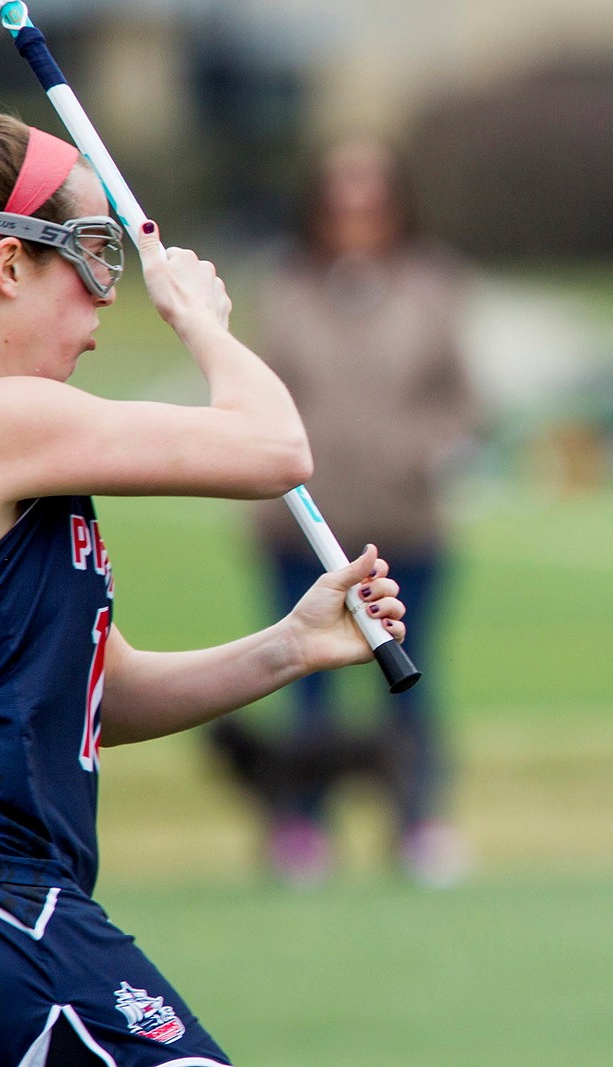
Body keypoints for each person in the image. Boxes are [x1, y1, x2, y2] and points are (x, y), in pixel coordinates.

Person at [0, 113, 407, 1065]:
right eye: (93, 257)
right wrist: (202, 324)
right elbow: (274, 449)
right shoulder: (2, 422)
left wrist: (289, 644)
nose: (102, 310)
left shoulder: (25, 453)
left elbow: (101, 693)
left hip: (29, 905)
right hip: (7, 911)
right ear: (9, 265)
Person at [217, 137, 479, 888]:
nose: (356, 214)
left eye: (371, 197)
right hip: (304, 525)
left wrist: (429, 448)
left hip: (408, 522)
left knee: (412, 675)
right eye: (341, 198)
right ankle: (302, 828)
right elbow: (258, 387)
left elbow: (462, 396)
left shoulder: (434, 285)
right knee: (307, 679)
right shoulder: (289, 287)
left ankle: (420, 822)